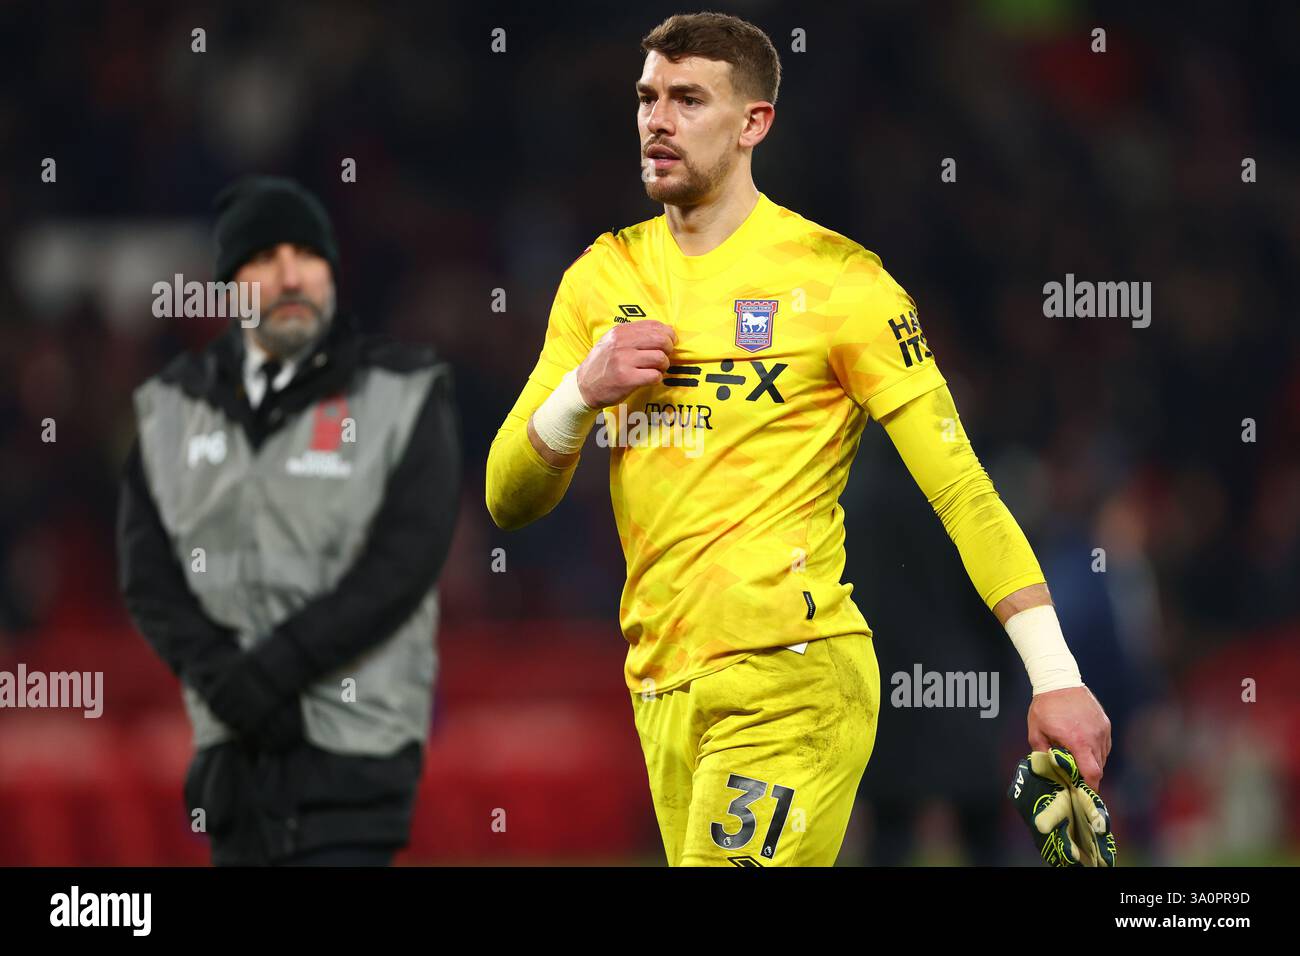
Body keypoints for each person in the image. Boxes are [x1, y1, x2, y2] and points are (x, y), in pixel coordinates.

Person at [486, 12, 1110, 866]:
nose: (657, 121)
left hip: (795, 676)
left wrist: (1055, 673)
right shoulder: (602, 278)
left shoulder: (841, 283)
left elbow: (961, 488)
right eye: (647, 98)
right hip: (662, 683)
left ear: (754, 123)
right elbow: (506, 497)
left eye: (688, 99)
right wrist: (577, 395)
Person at [117, 176, 460, 866]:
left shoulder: (402, 393)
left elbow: (402, 564)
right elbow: (146, 575)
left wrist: (269, 672)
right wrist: (224, 679)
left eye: (308, 252)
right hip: (234, 772)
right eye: (264, 256)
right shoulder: (171, 407)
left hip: (354, 768)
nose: (289, 273)